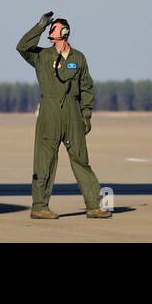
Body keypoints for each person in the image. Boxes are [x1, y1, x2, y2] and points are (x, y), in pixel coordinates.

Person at [16, 11, 111, 219]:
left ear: (65, 32)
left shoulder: (78, 58)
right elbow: (21, 47)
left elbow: (86, 86)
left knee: (80, 159)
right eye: (49, 27)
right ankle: (39, 206)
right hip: (49, 112)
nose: (51, 30)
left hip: (72, 112)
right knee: (44, 160)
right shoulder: (41, 56)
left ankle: (94, 205)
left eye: (53, 27)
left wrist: (86, 114)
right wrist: (39, 26)